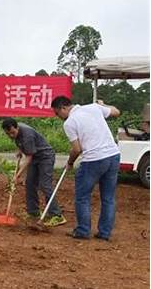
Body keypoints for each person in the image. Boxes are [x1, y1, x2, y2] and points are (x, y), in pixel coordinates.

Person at [51, 96, 121, 241]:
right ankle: (104, 233)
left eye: (57, 113)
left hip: (93, 160)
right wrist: (103, 104)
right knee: (108, 198)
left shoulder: (70, 123)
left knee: (82, 197)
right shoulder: (94, 107)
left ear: (63, 108)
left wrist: (70, 162)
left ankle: (83, 231)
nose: (59, 117)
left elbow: (77, 149)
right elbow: (116, 111)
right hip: (113, 155)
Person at [2, 118, 67, 227]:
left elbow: (28, 158)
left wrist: (18, 175)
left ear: (17, 127)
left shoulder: (28, 135)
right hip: (34, 156)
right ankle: (33, 212)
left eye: (13, 133)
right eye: (8, 134)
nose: (11, 136)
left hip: (45, 157)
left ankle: (57, 215)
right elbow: (20, 142)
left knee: (45, 185)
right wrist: (20, 149)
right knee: (30, 183)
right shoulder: (17, 130)